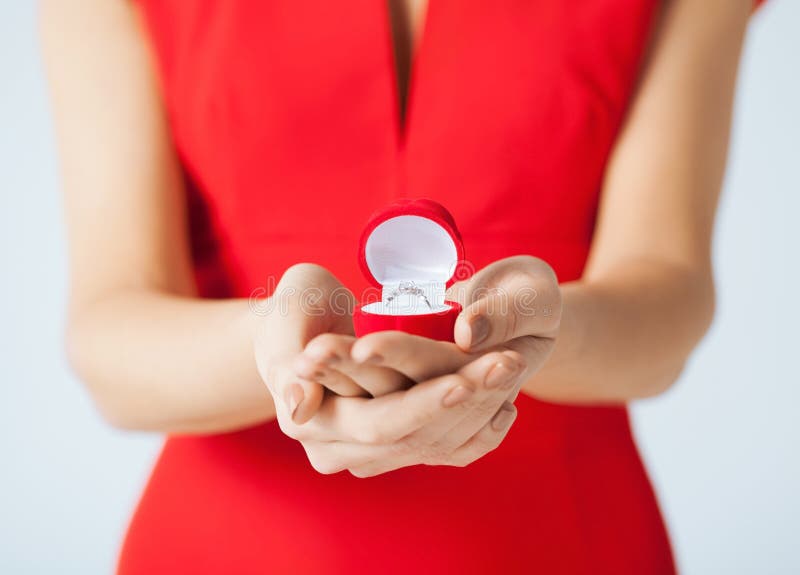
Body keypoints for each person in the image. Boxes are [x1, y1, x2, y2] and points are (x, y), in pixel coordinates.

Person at [40, 0, 761, 572]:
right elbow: (110, 338)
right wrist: (273, 345)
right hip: (225, 544)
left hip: (560, 543)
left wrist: (543, 331)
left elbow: (668, 293)